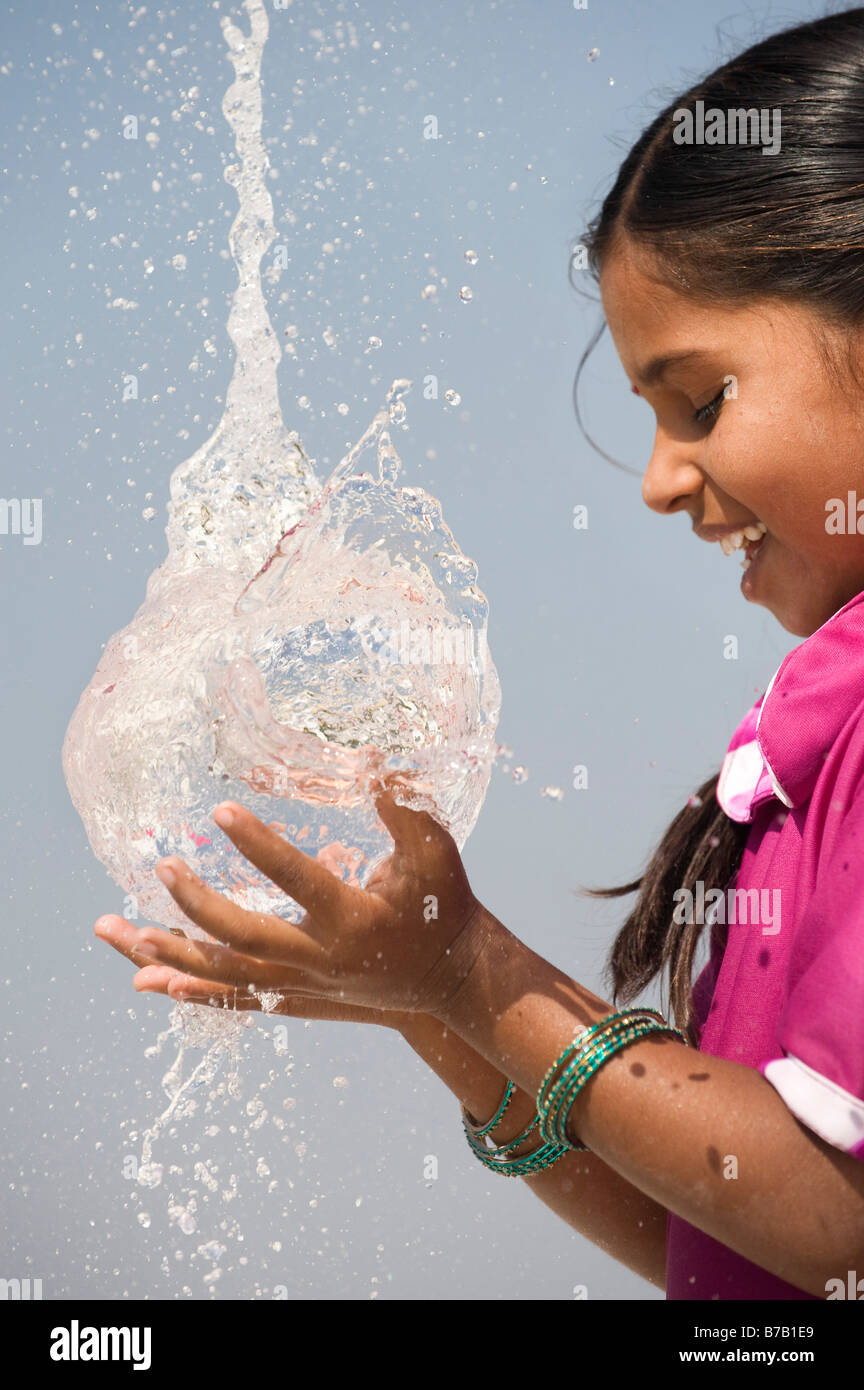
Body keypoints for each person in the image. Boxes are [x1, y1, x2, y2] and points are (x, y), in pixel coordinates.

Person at [95, 8, 864, 1300]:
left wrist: (476, 968)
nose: (659, 481)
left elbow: (837, 1219)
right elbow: (719, 1230)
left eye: (701, 400)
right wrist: (438, 1008)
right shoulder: (810, 731)